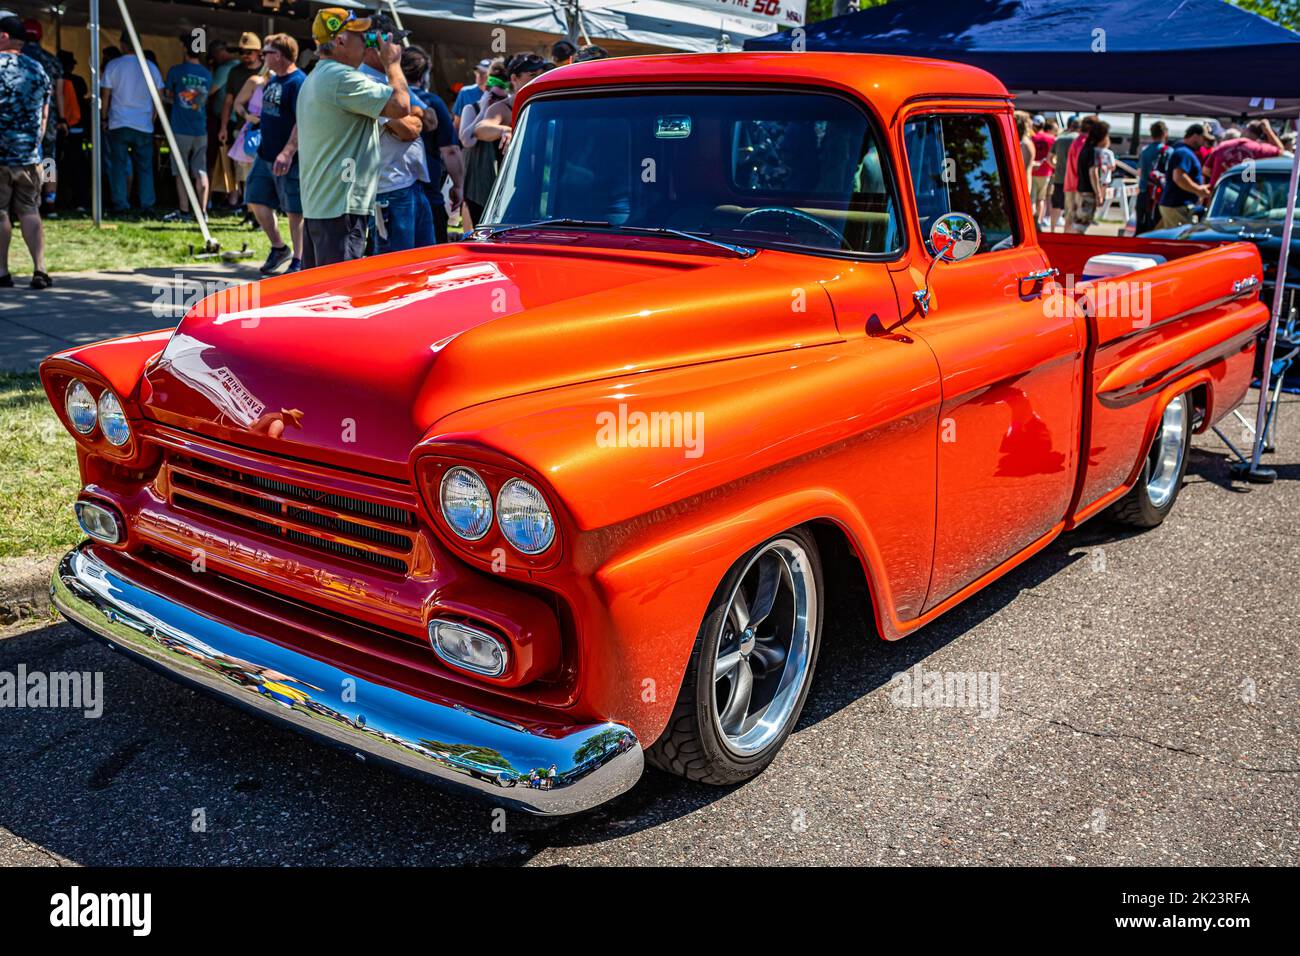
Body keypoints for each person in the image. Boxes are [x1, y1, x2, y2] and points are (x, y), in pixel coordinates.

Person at [296, 7, 410, 268]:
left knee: (319, 297)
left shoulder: (317, 76)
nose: (365, 41)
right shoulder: (341, 78)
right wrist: (392, 63)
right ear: (340, 40)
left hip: (322, 207)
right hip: (341, 208)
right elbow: (401, 105)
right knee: (337, 297)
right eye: (359, 35)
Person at [359, 17, 433, 255]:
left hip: (410, 185)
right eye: (395, 41)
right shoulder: (366, 82)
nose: (400, 48)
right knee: (395, 275)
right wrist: (392, 66)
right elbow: (409, 130)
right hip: (389, 190)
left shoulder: (390, 80)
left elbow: (430, 119)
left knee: (423, 267)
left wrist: (411, 112)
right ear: (376, 43)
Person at [244, 33, 304, 273]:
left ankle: (299, 261)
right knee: (256, 199)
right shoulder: (273, 79)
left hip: (290, 158)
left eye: (266, 52)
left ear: (278, 55)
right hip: (265, 154)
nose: (262, 57)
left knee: (294, 210)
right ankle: (279, 248)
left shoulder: (298, 82)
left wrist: (289, 151)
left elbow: (303, 119)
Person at [460, 54, 544, 225]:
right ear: (514, 78)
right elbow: (481, 129)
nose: (539, 78)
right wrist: (506, 130)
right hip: (506, 190)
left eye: (541, 73)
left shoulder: (545, 105)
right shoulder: (502, 108)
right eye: (533, 75)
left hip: (541, 188)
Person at [0, 12, 51, 288]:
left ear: (4, 36)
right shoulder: (38, 69)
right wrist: (32, 144)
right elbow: (44, 117)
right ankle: (40, 269)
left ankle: (2, 272)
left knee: (0, 212)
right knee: (30, 210)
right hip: (29, 156)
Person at [403, 45, 464, 244]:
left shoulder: (386, 97)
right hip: (428, 196)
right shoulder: (433, 103)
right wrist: (458, 186)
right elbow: (451, 151)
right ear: (424, 75)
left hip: (389, 194)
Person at [101, 44, 163, 214]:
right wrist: (153, 118)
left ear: (122, 45)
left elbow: (105, 95)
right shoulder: (150, 67)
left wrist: (104, 117)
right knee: (145, 167)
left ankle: (120, 203)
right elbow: (159, 96)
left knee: (118, 166)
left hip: (119, 122)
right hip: (143, 123)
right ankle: (147, 203)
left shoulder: (113, 65)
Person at [162, 35, 212, 222]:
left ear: (184, 48)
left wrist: (173, 99)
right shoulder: (207, 74)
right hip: (201, 129)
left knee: (180, 171)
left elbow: (168, 96)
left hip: (180, 128)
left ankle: (184, 211)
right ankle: (203, 212)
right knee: (200, 171)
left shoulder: (176, 71)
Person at [20, 19, 60, 214]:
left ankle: (29, 200)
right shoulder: (52, 60)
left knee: (25, 158)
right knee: (49, 160)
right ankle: (50, 199)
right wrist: (61, 119)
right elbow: (58, 94)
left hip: (22, 117)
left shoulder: (18, 57)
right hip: (50, 117)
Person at [217, 33, 262, 208]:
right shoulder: (235, 72)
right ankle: (246, 206)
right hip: (241, 128)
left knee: (259, 171)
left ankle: (256, 209)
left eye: (249, 52)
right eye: (242, 52)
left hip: (262, 130)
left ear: (258, 52)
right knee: (241, 171)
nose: (245, 55)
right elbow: (229, 102)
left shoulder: (266, 73)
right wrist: (223, 127)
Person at [1156, 123, 1212, 229]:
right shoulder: (1183, 152)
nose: (1205, 142)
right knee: (1181, 239)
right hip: (1178, 205)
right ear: (1195, 136)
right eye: (1203, 138)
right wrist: (1199, 190)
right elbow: (1179, 177)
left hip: (1175, 204)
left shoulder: (1181, 150)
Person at [1204, 119, 1285, 187]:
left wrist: (1226, 176)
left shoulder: (1223, 145)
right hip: (1244, 198)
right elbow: (1281, 152)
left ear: (1245, 130)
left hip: (1219, 195)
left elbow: (1206, 170)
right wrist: (1268, 130)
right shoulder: (1261, 150)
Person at [1062, 115, 1096, 234]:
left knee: (1070, 219)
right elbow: (1081, 167)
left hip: (1071, 184)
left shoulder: (1077, 140)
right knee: (1077, 224)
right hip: (1077, 187)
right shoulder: (1084, 143)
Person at [1135, 121, 1169, 233]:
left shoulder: (1144, 151)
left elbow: (1139, 172)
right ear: (1165, 133)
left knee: (1141, 225)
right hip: (1159, 195)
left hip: (1143, 192)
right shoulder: (1168, 151)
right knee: (1156, 227)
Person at [1047, 116, 1078, 232]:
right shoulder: (1079, 139)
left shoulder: (1059, 139)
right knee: (1070, 208)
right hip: (1073, 180)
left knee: (1056, 206)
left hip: (1059, 178)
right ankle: (1066, 232)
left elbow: (1049, 158)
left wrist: (1056, 166)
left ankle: (1052, 230)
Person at [451, 58, 489, 134]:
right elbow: (457, 123)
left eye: (483, 73)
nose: (479, 75)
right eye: (477, 72)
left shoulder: (497, 94)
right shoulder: (465, 92)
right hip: (468, 141)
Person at [1030, 116, 1055, 228]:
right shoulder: (1051, 138)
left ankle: (1031, 223)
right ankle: (1039, 221)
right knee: (1041, 198)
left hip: (1032, 171)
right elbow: (1054, 156)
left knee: (1032, 199)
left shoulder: (1031, 138)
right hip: (1046, 172)